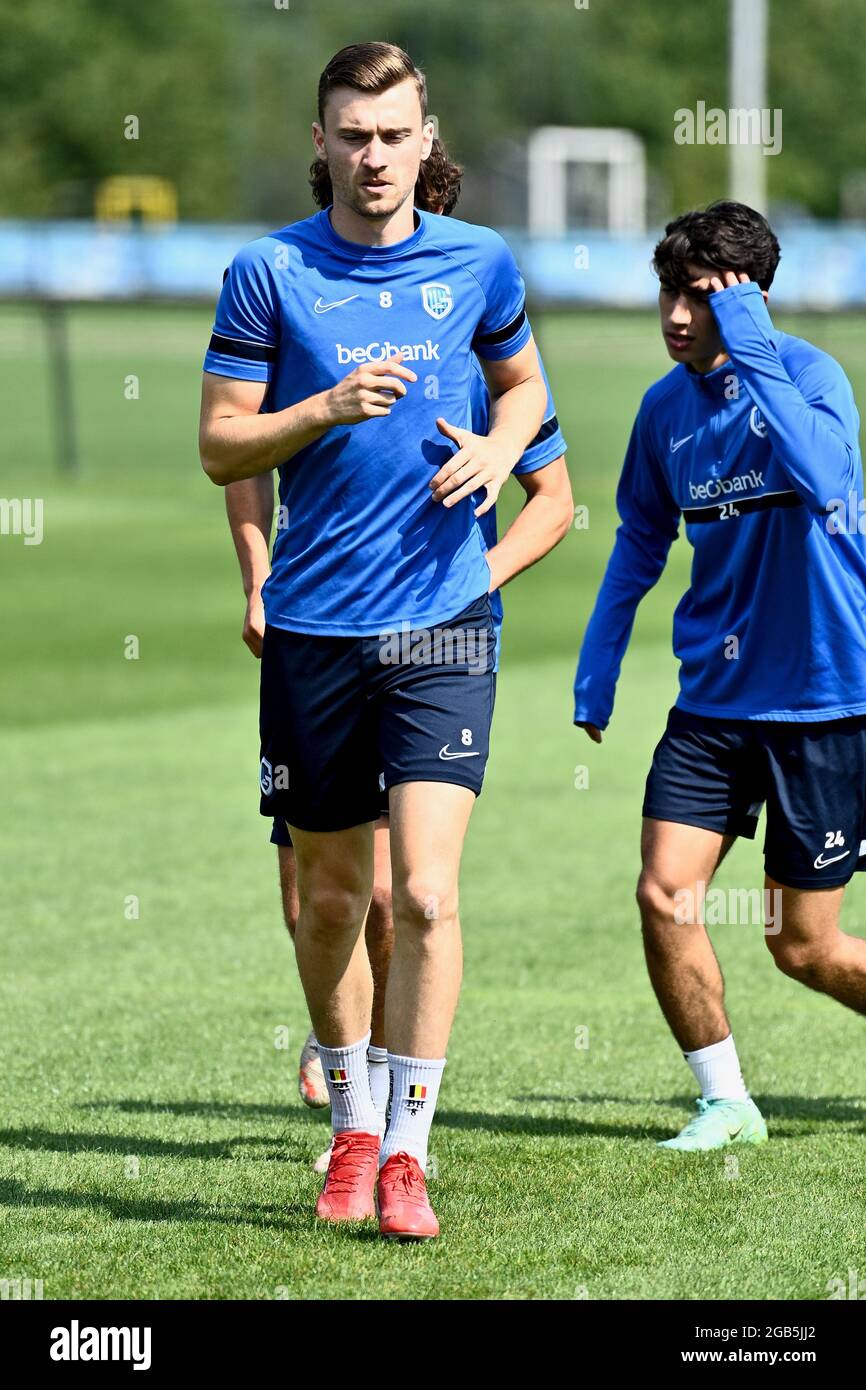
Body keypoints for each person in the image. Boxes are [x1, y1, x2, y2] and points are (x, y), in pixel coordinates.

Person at [200, 41, 552, 1238]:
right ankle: (350, 1118)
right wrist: (322, 409)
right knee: (331, 898)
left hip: (446, 620)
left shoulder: (479, 260)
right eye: (351, 135)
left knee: (433, 897)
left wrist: (505, 452)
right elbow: (219, 446)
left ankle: (406, 1151)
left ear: (424, 134)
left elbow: (523, 392)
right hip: (314, 628)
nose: (373, 156)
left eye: (393, 134)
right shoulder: (266, 272)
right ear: (320, 141)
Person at [226, 347, 570, 1173]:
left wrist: (475, 580)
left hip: (431, 650)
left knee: (404, 892)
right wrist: (258, 581)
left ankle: (385, 1114)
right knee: (319, 894)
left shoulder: (483, 354)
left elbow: (554, 500)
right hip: (318, 639)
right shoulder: (311, 326)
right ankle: (344, 1054)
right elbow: (238, 455)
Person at [574, 200, 866, 1151]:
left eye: (699, 298)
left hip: (827, 701)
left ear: (746, 302)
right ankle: (726, 1101)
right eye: (669, 292)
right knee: (665, 893)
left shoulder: (813, 377)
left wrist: (753, 347)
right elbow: (638, 543)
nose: (675, 316)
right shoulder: (664, 411)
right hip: (712, 706)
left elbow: (824, 477)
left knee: (803, 947)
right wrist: (598, 666)